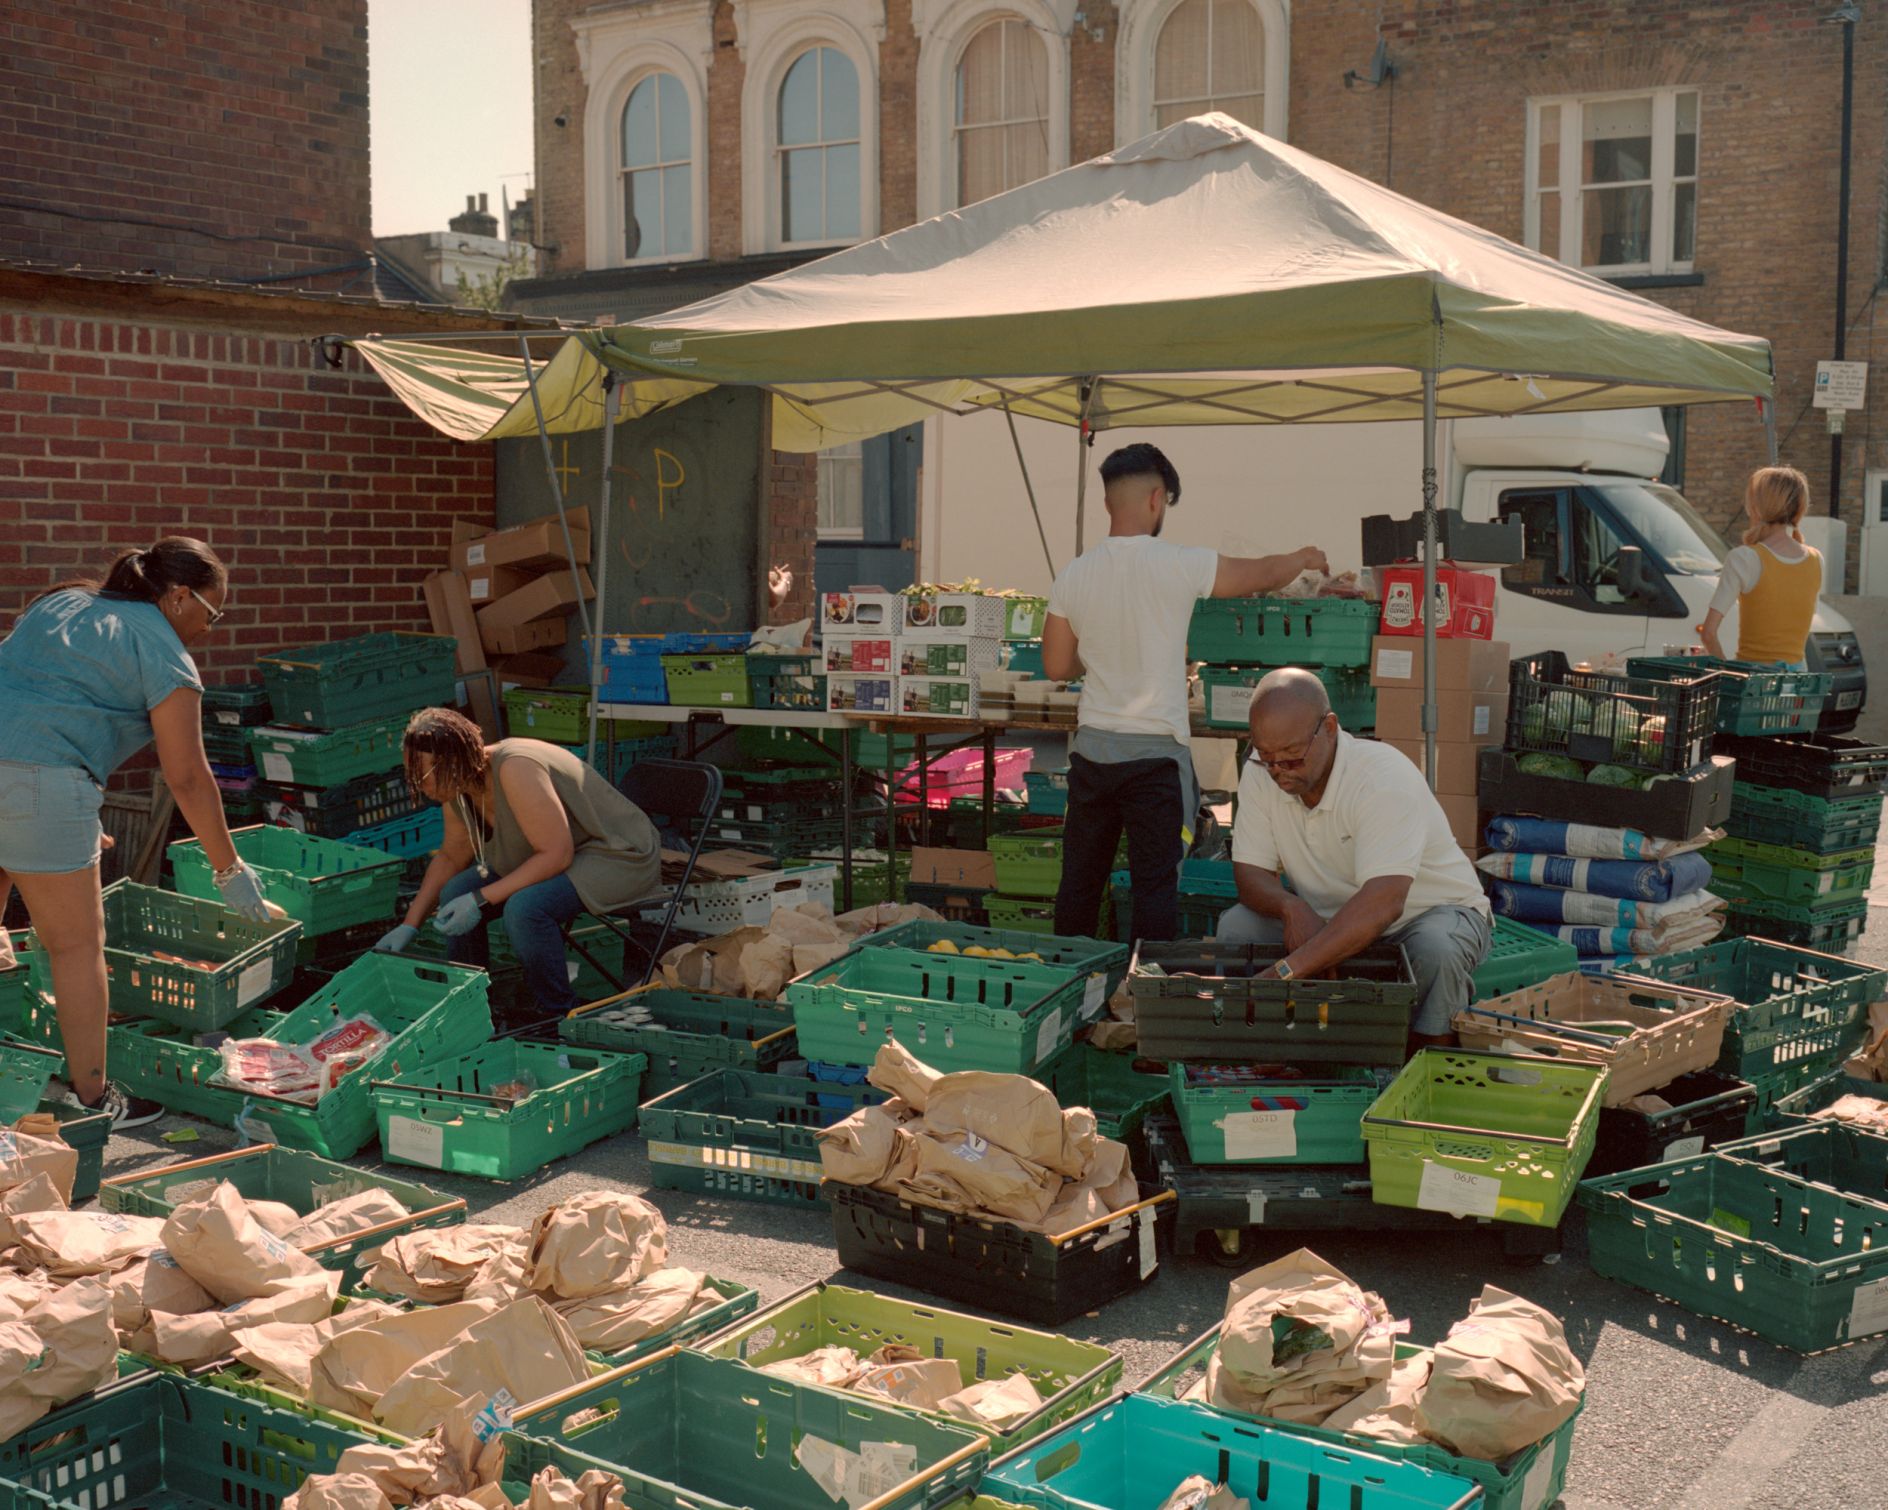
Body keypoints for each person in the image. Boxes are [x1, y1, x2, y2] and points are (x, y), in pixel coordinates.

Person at [0, 538, 274, 1128]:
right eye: (212, 611)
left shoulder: (63, 603)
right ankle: (93, 1100)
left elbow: (31, 698)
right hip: (40, 787)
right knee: (75, 946)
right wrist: (229, 870)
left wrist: (77, 805)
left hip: (28, 773)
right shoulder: (165, 652)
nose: (210, 625)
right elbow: (188, 777)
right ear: (178, 597)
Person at [1042, 442, 1328, 942]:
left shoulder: (1074, 574)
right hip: (1154, 759)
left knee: (1080, 883)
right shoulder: (1179, 564)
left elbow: (1055, 665)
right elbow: (1260, 574)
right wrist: (1304, 557)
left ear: (1109, 502)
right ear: (1157, 499)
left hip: (1091, 755)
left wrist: (1106, 651)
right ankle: (1144, 991)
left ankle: (1070, 987)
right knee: (1155, 887)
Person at [1217, 669, 1491, 1053]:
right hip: (1326, 917)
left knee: (1437, 949)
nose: (1278, 771)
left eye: (1292, 758)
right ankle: (1260, 1049)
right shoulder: (1262, 773)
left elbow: (1385, 901)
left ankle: (1427, 1060)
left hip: (1427, 915)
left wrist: (1286, 972)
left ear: (1329, 728)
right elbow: (1249, 874)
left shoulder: (1381, 777)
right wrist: (1290, 906)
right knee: (1235, 928)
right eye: (1267, 757)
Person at [378, 709, 661, 1018]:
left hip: (614, 853)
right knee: (454, 890)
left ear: (454, 762)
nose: (420, 785)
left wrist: (481, 898)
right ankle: (471, 1007)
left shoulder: (515, 767)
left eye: (422, 774)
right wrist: (409, 925)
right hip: (544, 853)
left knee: (525, 907)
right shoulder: (458, 788)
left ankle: (558, 1016)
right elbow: (450, 857)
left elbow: (557, 854)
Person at [1700, 465, 1822, 669]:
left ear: (1755, 507)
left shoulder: (1744, 558)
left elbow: (1708, 633)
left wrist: (1727, 674)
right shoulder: (1816, 559)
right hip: (1799, 685)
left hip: (1754, 685)